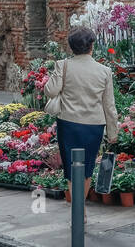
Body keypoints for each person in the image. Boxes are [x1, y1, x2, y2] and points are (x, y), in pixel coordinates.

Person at [43, 26, 119, 180]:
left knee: (71, 170)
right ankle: (81, 204)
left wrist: (57, 71)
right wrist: (112, 132)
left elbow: (50, 91)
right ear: (91, 45)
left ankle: (75, 204)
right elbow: (109, 105)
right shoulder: (104, 71)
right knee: (87, 168)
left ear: (71, 47)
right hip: (94, 125)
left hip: (68, 122)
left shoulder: (63, 65)